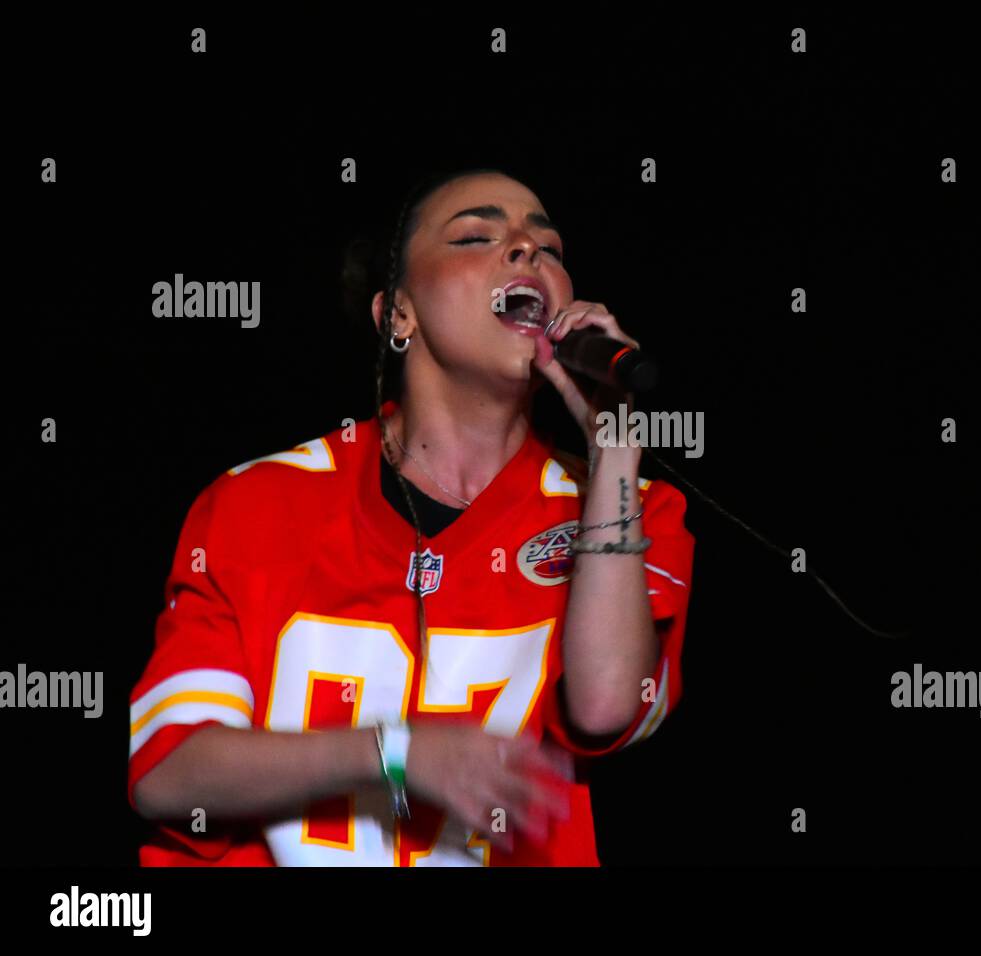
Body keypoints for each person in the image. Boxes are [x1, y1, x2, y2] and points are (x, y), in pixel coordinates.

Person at [127, 168, 695, 866]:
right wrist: (389, 753)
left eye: (549, 247)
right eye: (477, 236)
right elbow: (166, 774)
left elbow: (606, 707)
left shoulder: (630, 509)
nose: (527, 249)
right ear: (398, 313)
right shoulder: (254, 502)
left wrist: (612, 451)